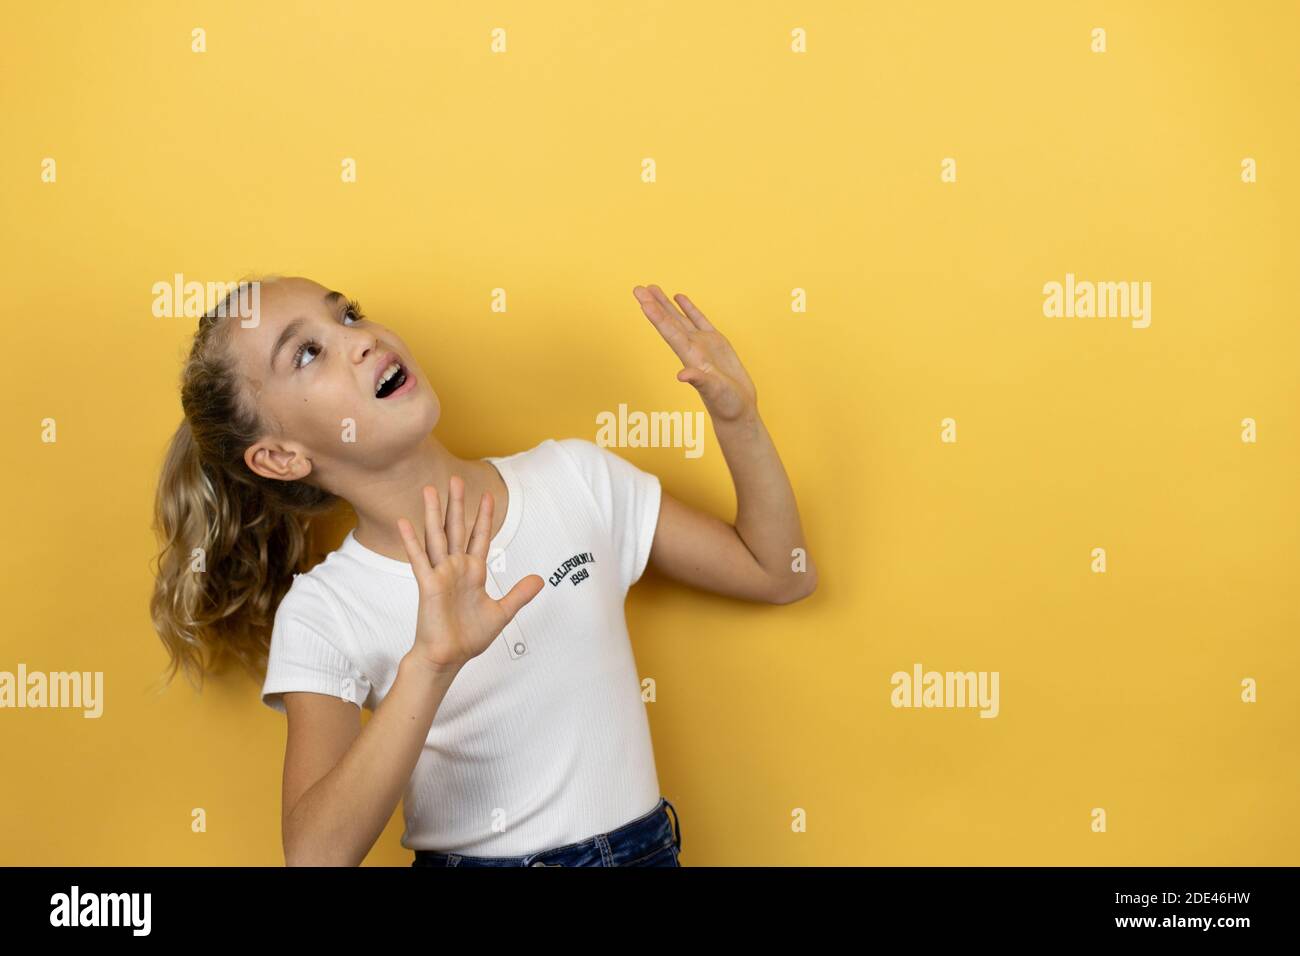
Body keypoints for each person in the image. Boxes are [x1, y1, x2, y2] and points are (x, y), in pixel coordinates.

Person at [149, 274, 817, 866]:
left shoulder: (575, 480)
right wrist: (431, 663)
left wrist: (739, 421)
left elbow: (779, 574)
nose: (360, 339)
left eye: (347, 315)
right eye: (307, 352)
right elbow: (316, 857)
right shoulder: (327, 610)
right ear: (281, 457)